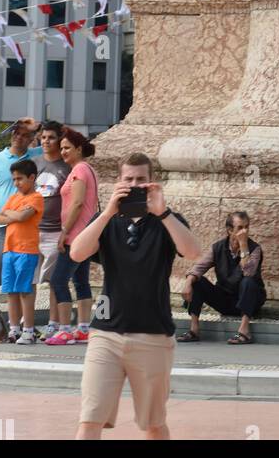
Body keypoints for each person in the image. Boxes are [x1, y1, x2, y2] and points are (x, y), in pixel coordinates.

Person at [69, 151, 202, 440]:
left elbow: (193, 252)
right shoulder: (106, 221)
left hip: (153, 335)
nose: (134, 184)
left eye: (141, 179)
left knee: (152, 423)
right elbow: (77, 252)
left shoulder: (168, 221)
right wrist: (107, 213)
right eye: (128, 178)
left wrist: (163, 212)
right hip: (105, 334)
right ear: (119, 181)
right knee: (89, 419)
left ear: (152, 182)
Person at [0, 119, 42, 305]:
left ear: (32, 139)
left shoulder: (38, 155)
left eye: (24, 134)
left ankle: (23, 324)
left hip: (29, 228)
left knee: (27, 278)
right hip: (3, 227)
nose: (19, 137)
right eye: (16, 133)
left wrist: (36, 125)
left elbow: (60, 139)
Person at [46, 129, 99, 345]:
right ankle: (84, 328)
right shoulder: (86, 169)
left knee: (58, 280)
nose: (63, 151)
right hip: (85, 235)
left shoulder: (79, 170)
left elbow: (77, 203)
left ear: (79, 148)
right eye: (62, 148)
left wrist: (64, 232)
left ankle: (65, 329)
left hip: (75, 236)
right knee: (80, 281)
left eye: (67, 147)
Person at [181, 211, 266, 344]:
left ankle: (244, 331)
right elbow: (200, 266)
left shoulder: (255, 248)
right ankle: (194, 330)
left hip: (249, 301)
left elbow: (248, 272)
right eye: (240, 228)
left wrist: (243, 245)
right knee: (196, 281)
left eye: (246, 227)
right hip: (225, 300)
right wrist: (188, 282)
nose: (244, 231)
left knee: (248, 281)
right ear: (230, 230)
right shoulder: (218, 247)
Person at [0, 159, 43, 345]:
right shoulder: (14, 197)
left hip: (27, 249)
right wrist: (14, 215)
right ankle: (14, 329)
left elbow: (24, 216)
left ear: (32, 178)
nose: (16, 183)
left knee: (25, 291)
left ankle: (28, 330)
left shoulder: (36, 197)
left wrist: (11, 215)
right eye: (14, 179)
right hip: (9, 248)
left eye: (20, 179)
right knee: (11, 292)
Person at [34, 121, 71, 339]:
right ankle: (24, 322)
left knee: (55, 281)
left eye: (51, 137)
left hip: (56, 231)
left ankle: (53, 323)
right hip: (32, 230)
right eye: (43, 137)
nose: (46, 141)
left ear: (59, 139)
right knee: (31, 280)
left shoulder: (66, 166)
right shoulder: (33, 162)